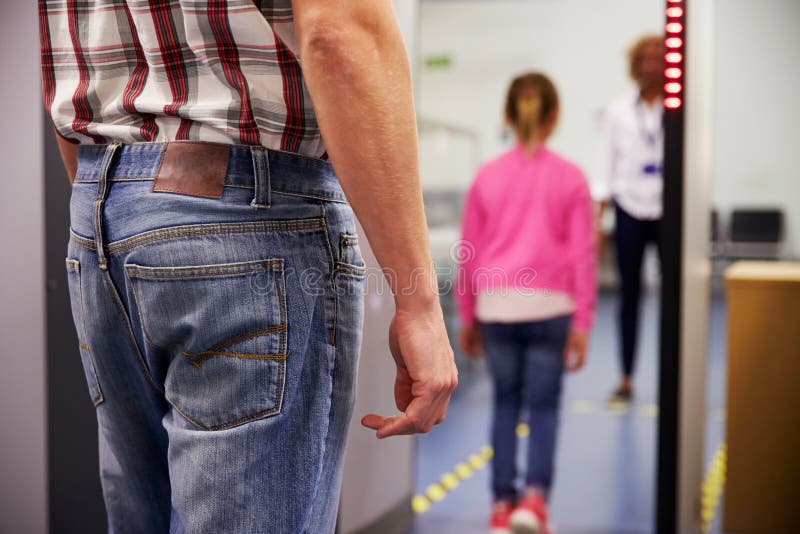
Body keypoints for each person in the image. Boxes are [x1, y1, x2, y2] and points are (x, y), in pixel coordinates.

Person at [38, 1, 457, 532]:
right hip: (250, 213)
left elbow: (58, 64)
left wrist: (119, 208)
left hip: (100, 212)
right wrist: (418, 302)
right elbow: (338, 30)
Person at [457, 73, 596, 534]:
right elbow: (582, 254)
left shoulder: (486, 177)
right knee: (544, 408)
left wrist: (467, 314)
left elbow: (470, 250)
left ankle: (500, 505)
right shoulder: (572, 178)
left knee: (504, 404)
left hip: (497, 309)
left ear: (507, 116)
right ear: (554, 117)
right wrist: (583, 321)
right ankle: (534, 502)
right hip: (551, 310)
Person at [593, 35, 665, 403]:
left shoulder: (678, 109)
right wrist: (598, 221)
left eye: (659, 56)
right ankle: (625, 377)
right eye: (645, 57)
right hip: (630, 210)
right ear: (635, 64)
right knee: (629, 297)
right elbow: (606, 167)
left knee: (676, 298)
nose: (652, 64)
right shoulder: (619, 112)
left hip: (668, 210)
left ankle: (674, 373)